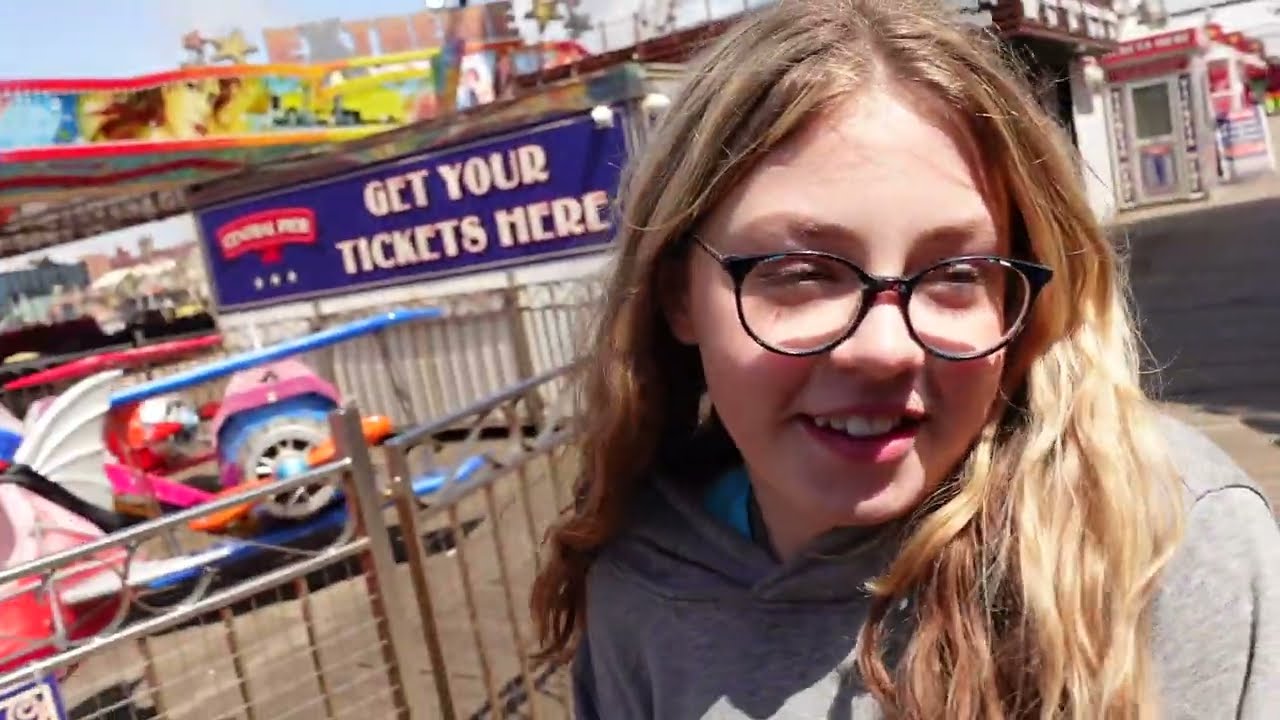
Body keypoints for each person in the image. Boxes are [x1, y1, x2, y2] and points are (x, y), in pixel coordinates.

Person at [529, 0, 1280, 718]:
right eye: (801, 273)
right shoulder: (638, 587)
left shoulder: (1160, 542)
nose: (886, 349)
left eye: (958, 274)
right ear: (678, 297)